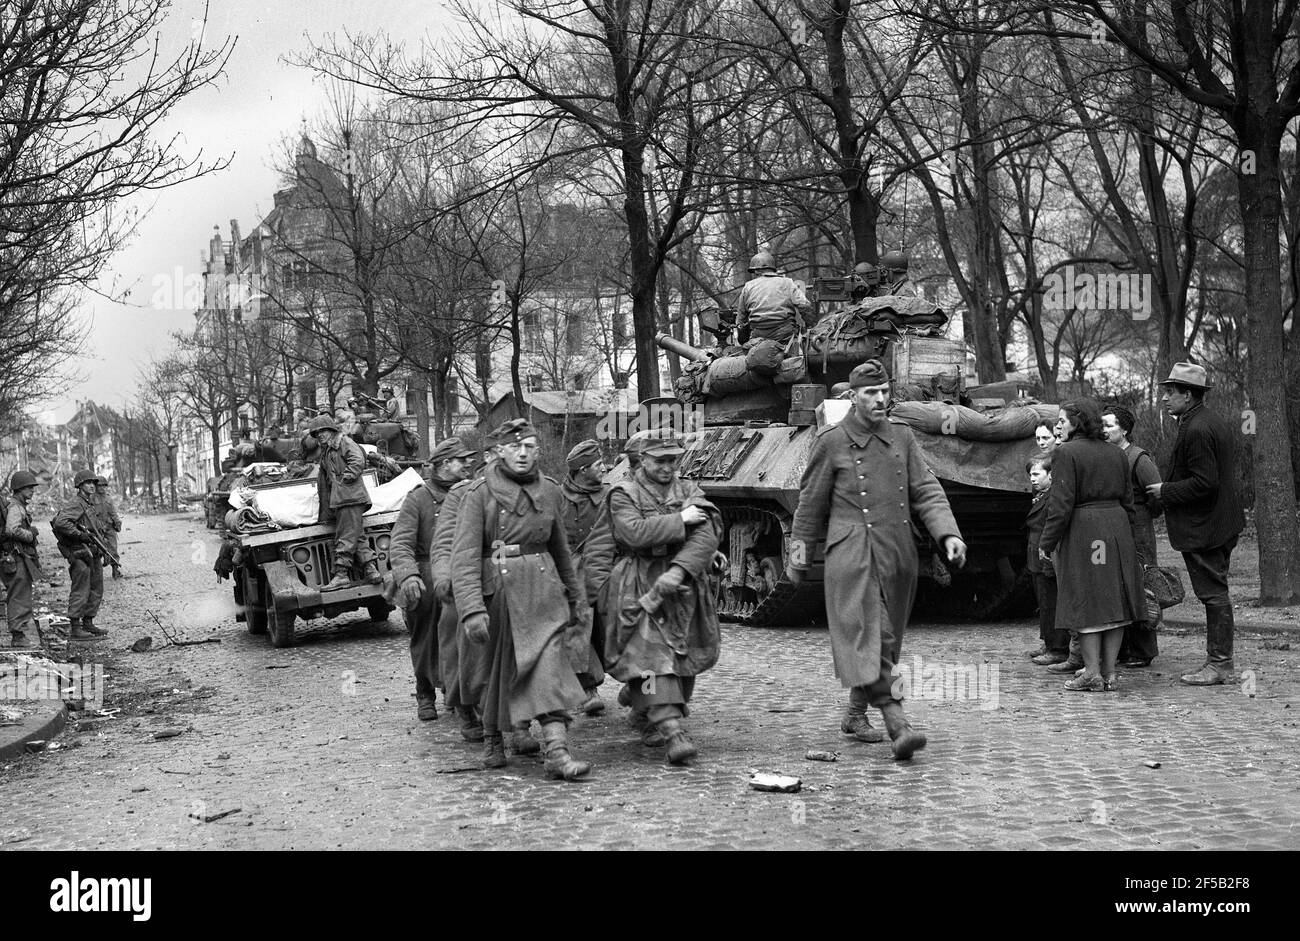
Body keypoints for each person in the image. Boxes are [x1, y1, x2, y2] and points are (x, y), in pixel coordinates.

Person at [788, 358, 967, 758]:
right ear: (853, 396)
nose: (880, 399)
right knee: (870, 636)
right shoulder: (831, 441)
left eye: (885, 391)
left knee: (884, 640)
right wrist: (798, 559)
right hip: (852, 555)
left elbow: (925, 489)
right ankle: (897, 721)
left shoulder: (902, 436)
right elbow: (809, 506)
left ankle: (854, 713)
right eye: (871, 393)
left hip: (898, 554)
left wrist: (947, 533)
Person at [450, 418, 590, 779]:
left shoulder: (550, 490)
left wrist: (575, 596)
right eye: (515, 447)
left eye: (530, 446)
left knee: (550, 668)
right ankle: (494, 739)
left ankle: (557, 751)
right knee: (499, 672)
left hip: (544, 591)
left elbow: (560, 547)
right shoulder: (479, 494)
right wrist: (470, 610)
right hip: (500, 590)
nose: (523, 454)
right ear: (498, 452)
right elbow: (464, 557)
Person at [595, 428, 724, 765]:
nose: (668, 467)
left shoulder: (688, 488)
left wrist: (681, 569)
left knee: (683, 658)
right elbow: (632, 532)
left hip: (682, 586)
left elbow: (708, 532)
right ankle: (670, 729)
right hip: (640, 582)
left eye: (673, 460)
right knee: (648, 662)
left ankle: (644, 708)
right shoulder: (624, 492)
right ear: (643, 459)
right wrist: (680, 519)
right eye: (660, 460)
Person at [1147, 363, 1245, 687]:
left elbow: (1205, 483)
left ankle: (1220, 665)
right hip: (1219, 522)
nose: (1164, 398)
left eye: (1170, 392)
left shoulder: (1198, 428)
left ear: (1187, 395)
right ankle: (1220, 663)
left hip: (1207, 527)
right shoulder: (1206, 420)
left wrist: (1165, 491)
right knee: (1216, 593)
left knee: (1214, 594)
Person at [1038, 399, 1144, 692]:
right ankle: (1108, 673)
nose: (1058, 425)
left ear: (1077, 422)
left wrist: (1046, 542)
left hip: (1085, 530)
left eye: (1062, 420)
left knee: (1086, 602)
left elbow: (1061, 505)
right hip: (1117, 528)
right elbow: (1129, 501)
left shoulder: (1065, 453)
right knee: (1113, 603)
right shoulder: (1117, 452)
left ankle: (1092, 674)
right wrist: (1127, 535)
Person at [389, 437, 477, 722]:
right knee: (426, 640)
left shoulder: (472, 493)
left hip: (464, 577)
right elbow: (400, 544)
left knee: (466, 640)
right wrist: (409, 576)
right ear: (442, 465)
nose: (468, 463)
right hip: (426, 580)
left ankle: (460, 693)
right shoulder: (418, 499)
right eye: (461, 460)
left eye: (468, 459)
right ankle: (425, 692)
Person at [429, 453, 491, 744]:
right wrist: (444, 578)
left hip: (501, 583)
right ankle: (464, 707)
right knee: (457, 650)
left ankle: (511, 722)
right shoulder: (462, 494)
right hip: (463, 582)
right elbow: (443, 543)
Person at [1102, 404, 1164, 667]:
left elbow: (1157, 494)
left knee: (1142, 586)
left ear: (1125, 429)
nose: (1104, 430)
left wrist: (1142, 515)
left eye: (1110, 425)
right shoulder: (1108, 457)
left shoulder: (1138, 458)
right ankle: (1125, 648)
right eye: (1102, 425)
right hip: (1117, 529)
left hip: (1138, 529)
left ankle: (1143, 650)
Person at [559, 439, 609, 717]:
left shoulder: (611, 494)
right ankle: (589, 688)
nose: (603, 469)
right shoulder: (558, 497)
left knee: (618, 620)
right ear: (582, 470)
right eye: (598, 465)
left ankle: (638, 685)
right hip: (573, 569)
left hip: (607, 566)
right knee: (579, 626)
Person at [307, 414, 379, 591]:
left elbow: (357, 459)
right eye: (317, 433)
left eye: (323, 431)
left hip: (350, 498)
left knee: (345, 537)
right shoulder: (329, 449)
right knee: (357, 535)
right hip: (343, 499)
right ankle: (371, 570)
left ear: (331, 430)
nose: (320, 435)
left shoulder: (343, 442)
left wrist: (345, 480)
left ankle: (341, 575)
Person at [52, 469, 110, 640]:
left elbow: (96, 530)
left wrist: (105, 549)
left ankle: (88, 622)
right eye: (87, 483)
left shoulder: (88, 503)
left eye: (93, 483)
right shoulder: (76, 503)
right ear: (80, 486)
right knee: (81, 589)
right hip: (79, 552)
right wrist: (79, 535)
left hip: (92, 552)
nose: (92, 486)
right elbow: (61, 523)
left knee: (96, 587)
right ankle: (76, 627)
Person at [1025, 455, 1070, 665]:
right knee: (1044, 601)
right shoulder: (1041, 495)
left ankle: (1057, 648)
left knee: (1051, 600)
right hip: (1037, 554)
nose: (1032, 479)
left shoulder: (1052, 497)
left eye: (1036, 474)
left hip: (1046, 554)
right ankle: (1048, 642)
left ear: (1050, 475)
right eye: (1030, 475)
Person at [735, 251, 815, 345]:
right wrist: (811, 326)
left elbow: (741, 320)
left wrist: (743, 339)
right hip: (785, 335)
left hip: (759, 336)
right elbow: (804, 305)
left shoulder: (748, 287)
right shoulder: (787, 283)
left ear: (757, 270)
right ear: (772, 268)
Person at [2, 471, 44, 648]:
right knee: (19, 596)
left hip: (18, 557)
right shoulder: (15, 507)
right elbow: (11, 530)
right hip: (16, 558)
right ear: (19, 489)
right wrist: (30, 534)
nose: (32, 491)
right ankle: (18, 636)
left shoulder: (18, 505)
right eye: (29, 487)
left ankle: (19, 633)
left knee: (20, 594)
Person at [93, 478, 123, 579]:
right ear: (96, 486)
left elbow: (113, 513)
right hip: (97, 529)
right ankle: (97, 572)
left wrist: (117, 523)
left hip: (109, 527)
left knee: (113, 548)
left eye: (103, 486)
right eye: (99, 486)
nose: (101, 488)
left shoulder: (108, 499)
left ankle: (115, 570)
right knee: (97, 549)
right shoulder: (91, 498)